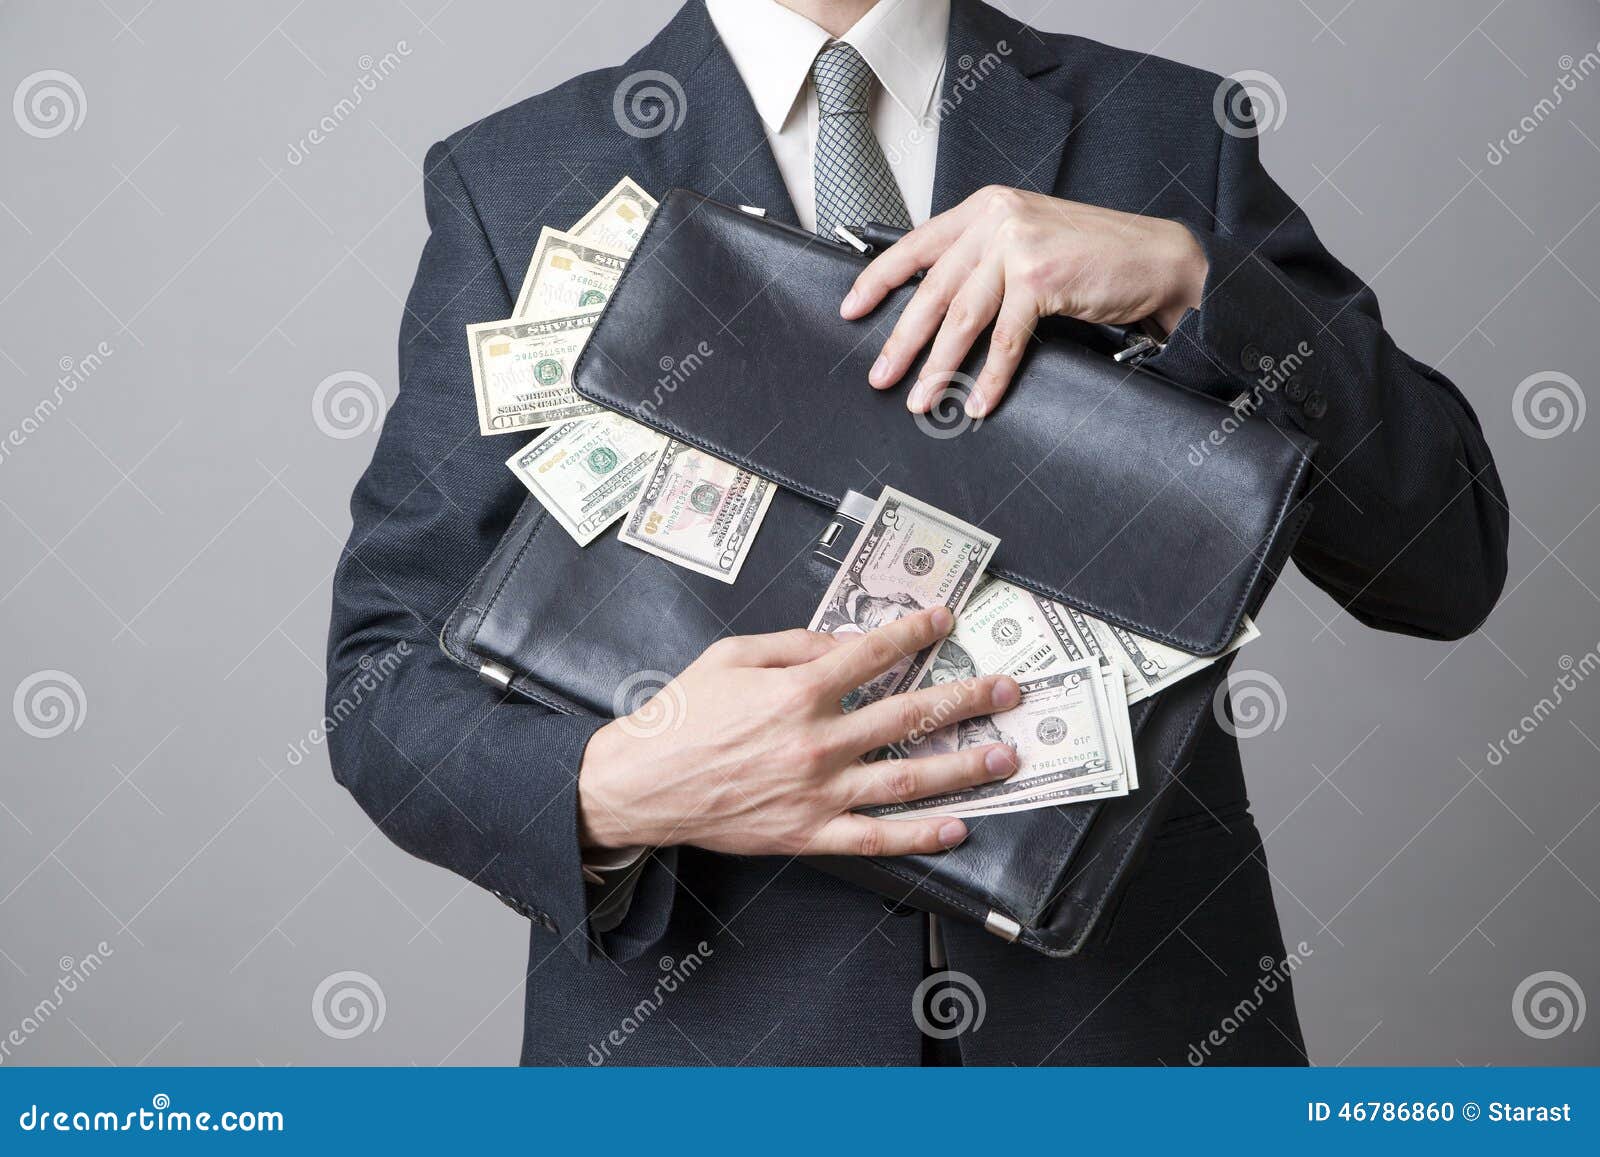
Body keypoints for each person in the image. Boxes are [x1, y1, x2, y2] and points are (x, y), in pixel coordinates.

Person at [326, 0, 1508, 1065]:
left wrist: (1193, 279)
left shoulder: (1161, 129)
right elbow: (382, 677)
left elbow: (1443, 560)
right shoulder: (520, 173)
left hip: (1129, 1047)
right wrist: (622, 784)